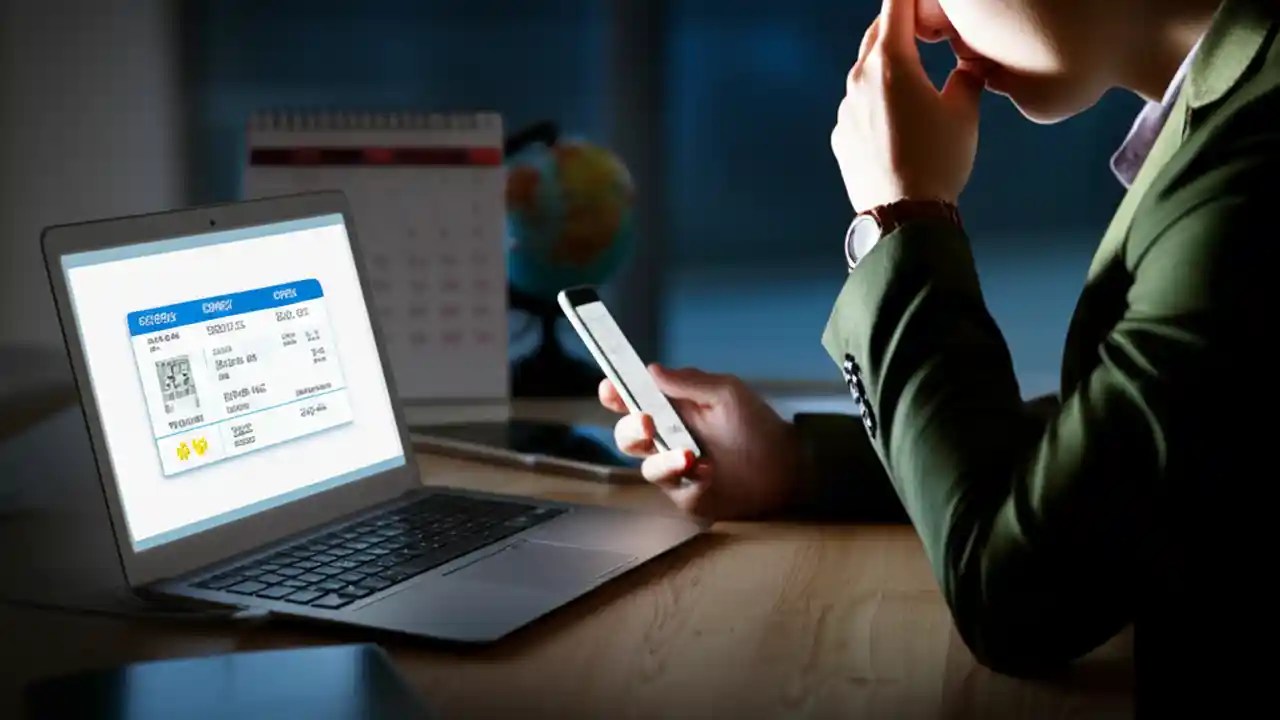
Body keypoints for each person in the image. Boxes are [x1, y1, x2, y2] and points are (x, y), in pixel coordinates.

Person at [599, 0, 1272, 713]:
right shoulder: (1237, 107)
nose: (920, 19)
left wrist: (901, 217)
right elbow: (1136, 458)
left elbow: (1020, 596)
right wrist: (801, 467)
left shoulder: (1256, 168)